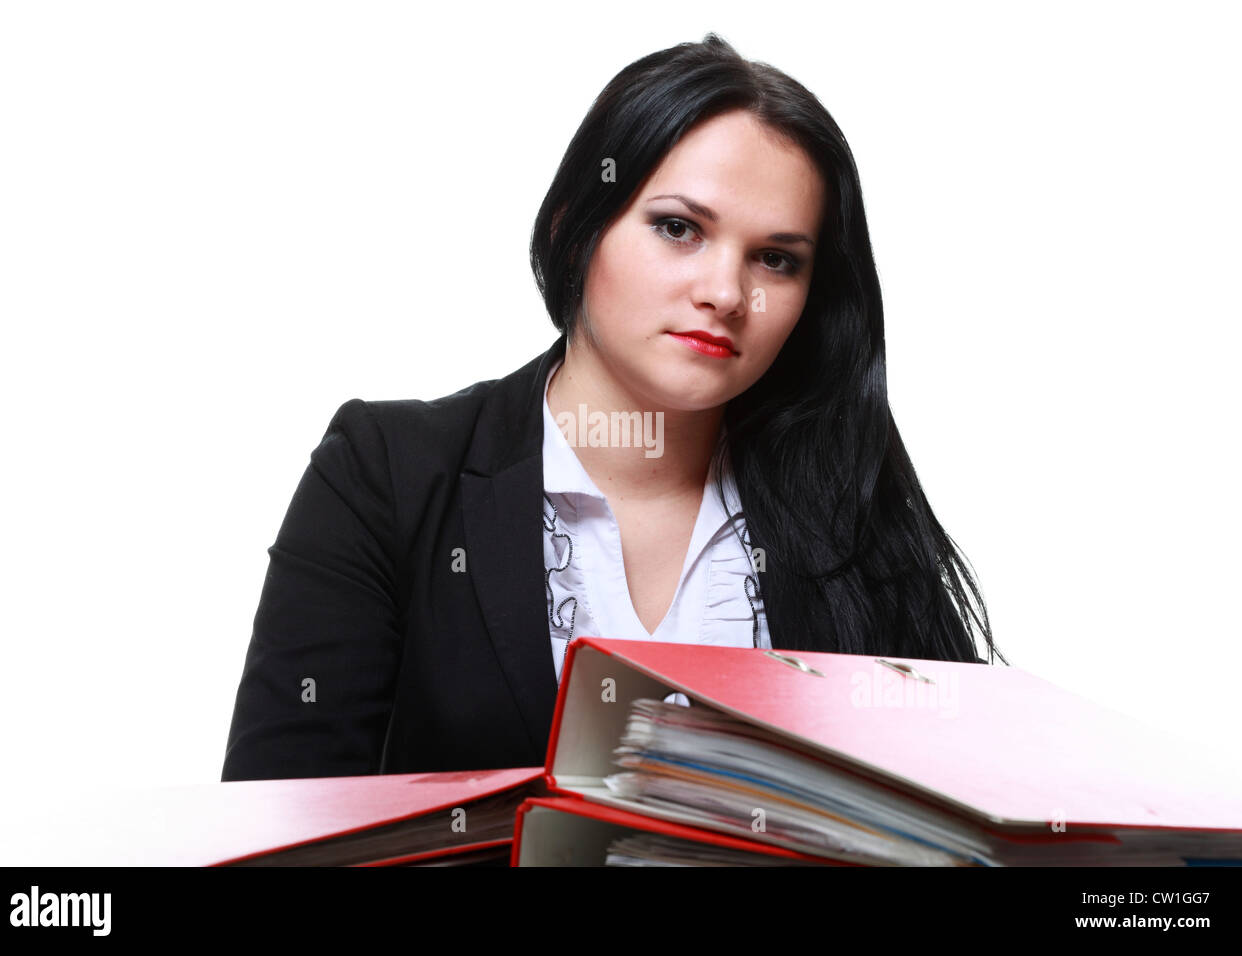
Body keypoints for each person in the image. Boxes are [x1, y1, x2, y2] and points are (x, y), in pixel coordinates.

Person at [221, 32, 1003, 783]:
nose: (726, 294)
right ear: (574, 231)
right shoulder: (385, 473)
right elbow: (284, 820)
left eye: (776, 259)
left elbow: (965, 807)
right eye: (678, 228)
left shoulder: (846, 498)